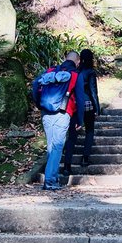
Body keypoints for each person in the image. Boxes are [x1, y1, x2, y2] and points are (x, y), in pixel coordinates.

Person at [31, 51, 80, 191]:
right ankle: (50, 180)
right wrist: (80, 119)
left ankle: (53, 177)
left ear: (65, 59)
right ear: (77, 61)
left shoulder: (50, 70)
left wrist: (39, 105)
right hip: (63, 112)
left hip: (46, 112)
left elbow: (35, 84)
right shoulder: (75, 75)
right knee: (57, 146)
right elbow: (81, 98)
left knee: (51, 146)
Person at [61, 48, 101, 175]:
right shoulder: (90, 72)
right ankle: (85, 158)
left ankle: (67, 165)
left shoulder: (76, 71)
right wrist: (97, 108)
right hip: (88, 104)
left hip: (75, 104)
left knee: (72, 135)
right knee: (90, 130)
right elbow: (93, 91)